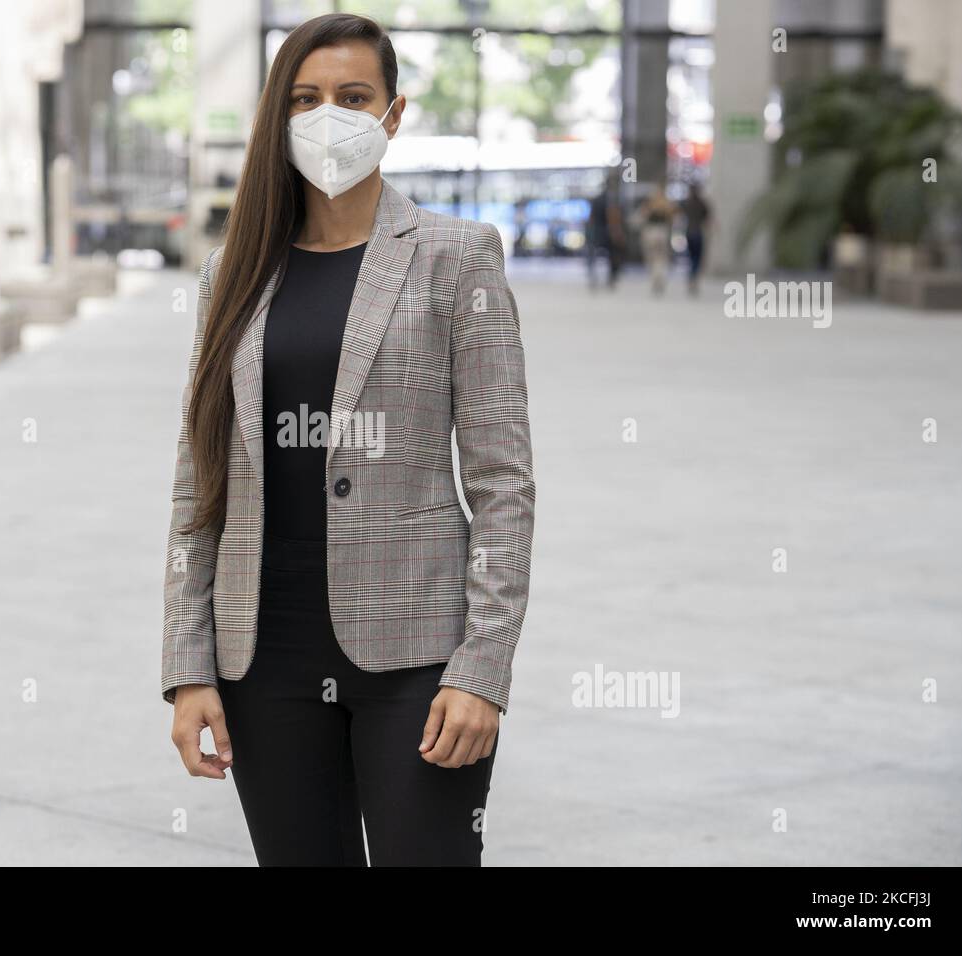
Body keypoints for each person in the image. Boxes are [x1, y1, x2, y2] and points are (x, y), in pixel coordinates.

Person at [161, 12, 535, 866]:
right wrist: (189, 666)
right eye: (306, 98)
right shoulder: (237, 269)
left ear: (392, 115)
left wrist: (483, 666)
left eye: (352, 96)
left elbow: (503, 482)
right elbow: (199, 477)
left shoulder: (457, 258)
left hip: (417, 654)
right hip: (264, 656)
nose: (329, 115)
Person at [587, 170, 625, 289]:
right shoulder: (612, 199)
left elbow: (591, 217)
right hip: (608, 231)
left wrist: (590, 231)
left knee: (593, 255)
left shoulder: (596, 199)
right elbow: (612, 216)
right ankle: (611, 278)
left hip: (597, 230)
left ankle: (593, 275)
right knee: (613, 254)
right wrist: (617, 232)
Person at [637, 186, 676, 295]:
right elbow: (672, 220)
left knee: (652, 257)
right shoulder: (667, 205)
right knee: (661, 258)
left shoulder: (649, 204)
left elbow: (642, 217)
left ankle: (655, 277)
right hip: (663, 232)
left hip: (651, 232)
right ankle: (659, 277)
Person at [681, 181, 712, 295]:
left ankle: (692, 277)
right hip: (698, 233)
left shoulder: (687, 203)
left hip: (689, 232)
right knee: (697, 258)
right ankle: (693, 277)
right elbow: (708, 218)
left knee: (691, 257)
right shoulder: (702, 203)